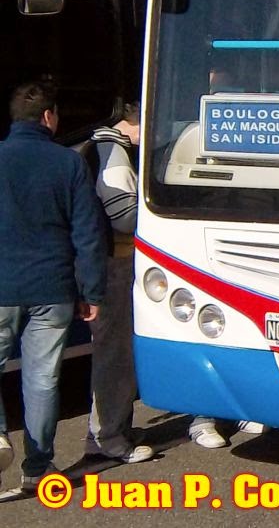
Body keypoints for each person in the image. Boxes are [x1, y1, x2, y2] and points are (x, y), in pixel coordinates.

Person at [0, 80, 107, 491]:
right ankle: (37, 467)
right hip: (54, 289)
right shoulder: (68, 163)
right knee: (42, 378)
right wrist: (91, 291)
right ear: (48, 117)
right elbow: (88, 233)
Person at [83, 101, 154, 464]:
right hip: (114, 264)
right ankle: (108, 438)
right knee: (114, 354)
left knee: (112, 352)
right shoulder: (113, 151)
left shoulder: (103, 145)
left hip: (102, 262)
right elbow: (124, 216)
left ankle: (109, 431)